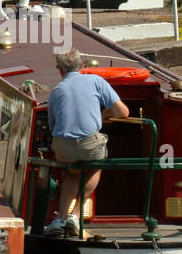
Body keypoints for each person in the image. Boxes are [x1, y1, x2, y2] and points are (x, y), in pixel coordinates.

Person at [44, 49, 128, 237]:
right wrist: (105, 114)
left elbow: (53, 125)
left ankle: (60, 219)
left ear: (60, 70)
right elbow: (123, 112)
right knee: (95, 166)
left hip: (63, 145)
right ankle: (75, 215)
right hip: (90, 145)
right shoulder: (96, 81)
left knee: (73, 173)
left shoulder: (56, 91)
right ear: (81, 66)